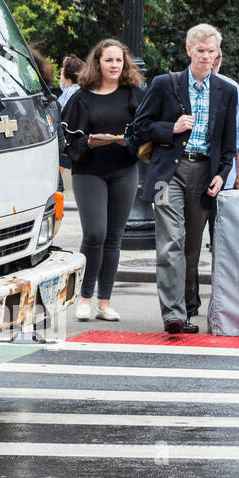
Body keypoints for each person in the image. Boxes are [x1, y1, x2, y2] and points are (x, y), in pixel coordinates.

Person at [131, 24, 239, 334]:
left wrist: (222, 175)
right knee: (170, 243)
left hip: (205, 173)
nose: (206, 57)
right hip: (169, 173)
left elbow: (229, 145)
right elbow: (141, 126)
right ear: (189, 50)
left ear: (217, 54)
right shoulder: (166, 84)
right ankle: (173, 314)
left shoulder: (227, 91)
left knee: (191, 248)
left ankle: (189, 307)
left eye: (211, 52)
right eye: (201, 51)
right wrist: (172, 127)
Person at [61, 39, 144, 322]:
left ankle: (104, 302)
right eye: (109, 60)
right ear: (97, 63)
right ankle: (85, 298)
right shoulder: (81, 97)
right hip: (89, 171)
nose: (114, 65)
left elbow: (145, 132)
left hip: (124, 170)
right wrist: (91, 142)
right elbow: (70, 141)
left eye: (119, 60)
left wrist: (128, 141)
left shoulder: (134, 95)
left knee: (113, 238)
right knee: (95, 233)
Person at [212, 47, 239, 189]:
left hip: (223, 175)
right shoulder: (180, 84)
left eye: (215, 57)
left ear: (220, 60)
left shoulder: (232, 89)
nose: (210, 61)